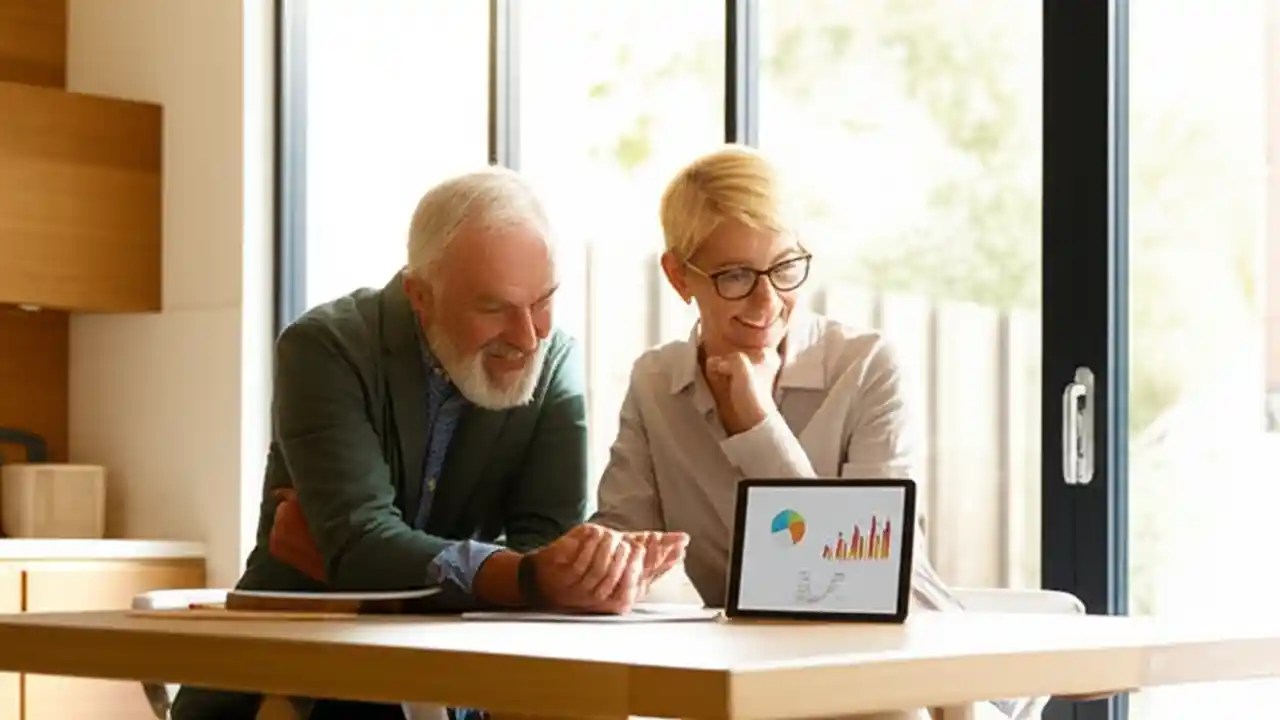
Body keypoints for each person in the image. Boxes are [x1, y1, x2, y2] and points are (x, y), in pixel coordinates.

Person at [172, 167, 688, 720]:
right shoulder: (325, 349)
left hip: (460, 681)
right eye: (493, 308)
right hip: (304, 681)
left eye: (543, 300)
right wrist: (525, 577)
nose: (528, 336)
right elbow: (366, 541)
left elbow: (546, 553)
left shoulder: (552, 360)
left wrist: (560, 574)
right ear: (420, 295)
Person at [589, 146, 1030, 720]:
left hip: (913, 667)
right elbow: (624, 543)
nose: (768, 300)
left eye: (785, 267)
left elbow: (857, 574)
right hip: (761, 681)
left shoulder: (866, 366)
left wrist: (757, 426)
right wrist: (602, 562)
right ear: (679, 277)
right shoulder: (656, 382)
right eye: (736, 276)